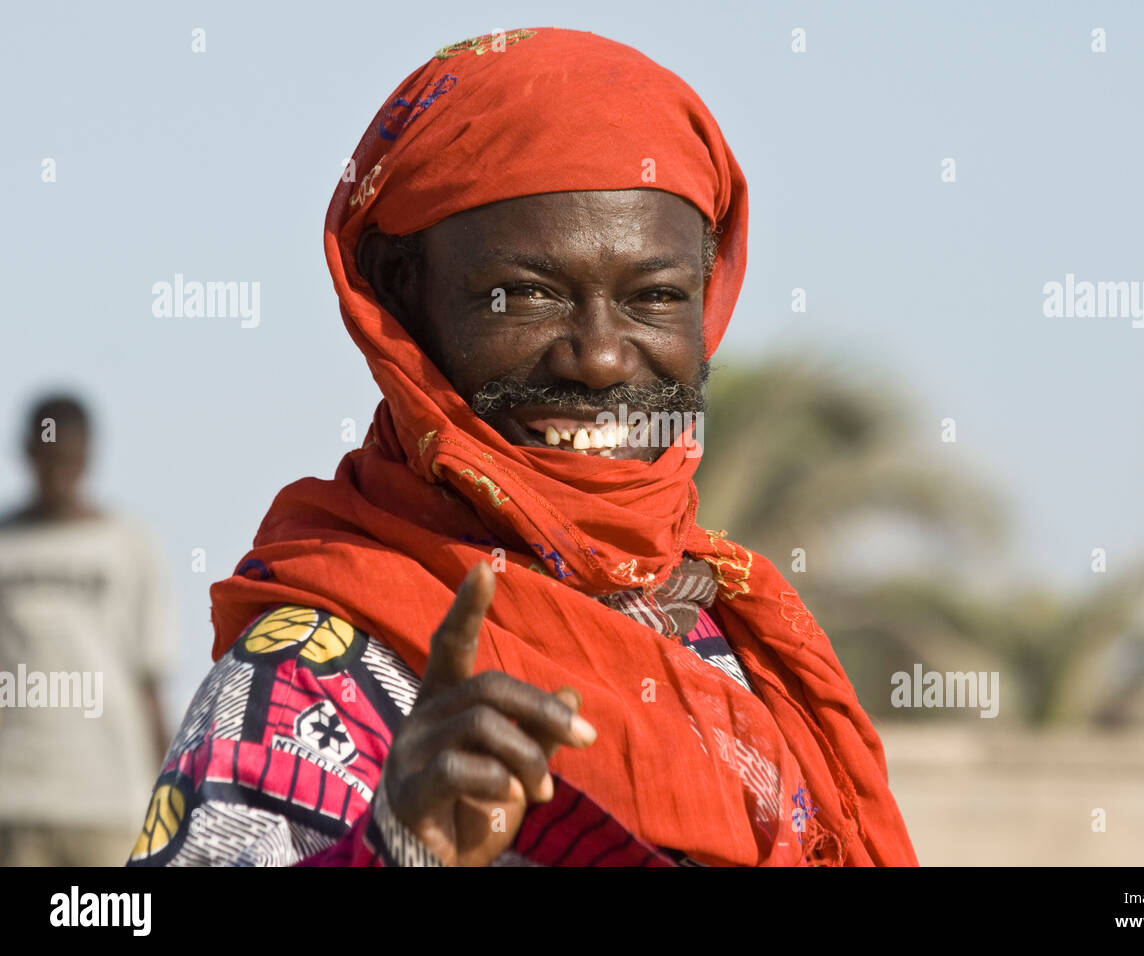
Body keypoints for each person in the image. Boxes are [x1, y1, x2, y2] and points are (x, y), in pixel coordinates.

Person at [127, 27, 918, 867]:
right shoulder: (318, 675)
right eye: (528, 295)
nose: (602, 357)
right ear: (403, 293)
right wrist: (398, 849)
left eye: (654, 297)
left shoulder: (744, 640)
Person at [0, 394, 174, 866]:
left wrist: (172, 788)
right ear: (27, 453)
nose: (57, 471)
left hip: (109, 800)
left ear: (87, 458)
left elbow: (148, 679)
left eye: (68, 459)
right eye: (47, 457)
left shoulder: (128, 546)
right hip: (16, 801)